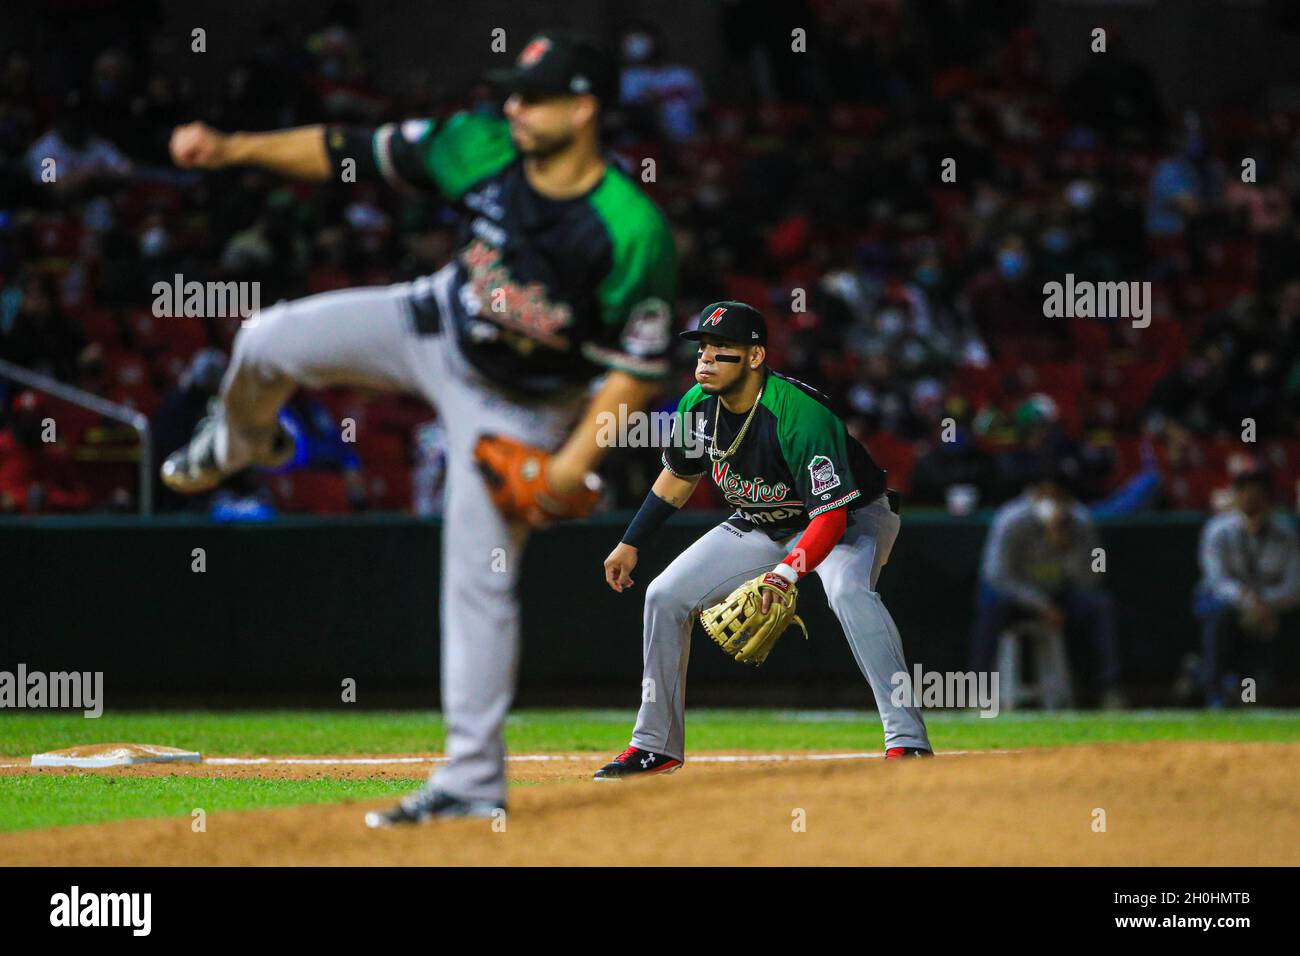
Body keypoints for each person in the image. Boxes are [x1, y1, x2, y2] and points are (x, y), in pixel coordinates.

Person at [158, 31, 677, 823]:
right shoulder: (479, 144)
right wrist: (231, 147)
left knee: (480, 580)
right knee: (265, 340)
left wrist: (572, 463)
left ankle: (470, 786)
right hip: (431, 320)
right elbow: (345, 150)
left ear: (583, 109)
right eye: (512, 91)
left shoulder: (629, 229)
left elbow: (633, 375)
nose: (513, 107)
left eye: (533, 96)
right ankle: (239, 443)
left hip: (520, 405)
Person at [597, 301, 931, 778]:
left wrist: (784, 575)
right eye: (703, 349)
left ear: (755, 357)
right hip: (762, 521)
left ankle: (908, 741)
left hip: (853, 516)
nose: (705, 359)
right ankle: (656, 746)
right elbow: (677, 478)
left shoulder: (799, 415)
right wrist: (631, 542)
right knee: (664, 595)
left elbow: (830, 517)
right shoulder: (696, 405)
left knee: (848, 592)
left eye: (722, 349)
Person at [972, 473, 1124, 708]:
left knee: (1099, 605)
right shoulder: (1011, 519)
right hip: (1016, 596)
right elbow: (996, 575)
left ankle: (1109, 690)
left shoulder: (1080, 521)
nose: (1053, 502)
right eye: (1046, 494)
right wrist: (1041, 605)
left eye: (1058, 496)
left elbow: (1095, 574)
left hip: (1060, 594)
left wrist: (1066, 548)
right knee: (991, 605)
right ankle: (977, 693)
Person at [1195, 462, 1300, 707]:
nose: (1252, 498)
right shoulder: (1218, 530)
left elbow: (1294, 585)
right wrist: (1249, 602)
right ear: (1236, 494)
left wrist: (1265, 603)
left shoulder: (1286, 535)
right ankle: (1215, 691)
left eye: (1259, 492)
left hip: (1271, 605)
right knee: (1220, 614)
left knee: (1264, 646)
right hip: (1223, 601)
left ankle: (1256, 691)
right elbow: (1216, 580)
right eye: (1246, 491)